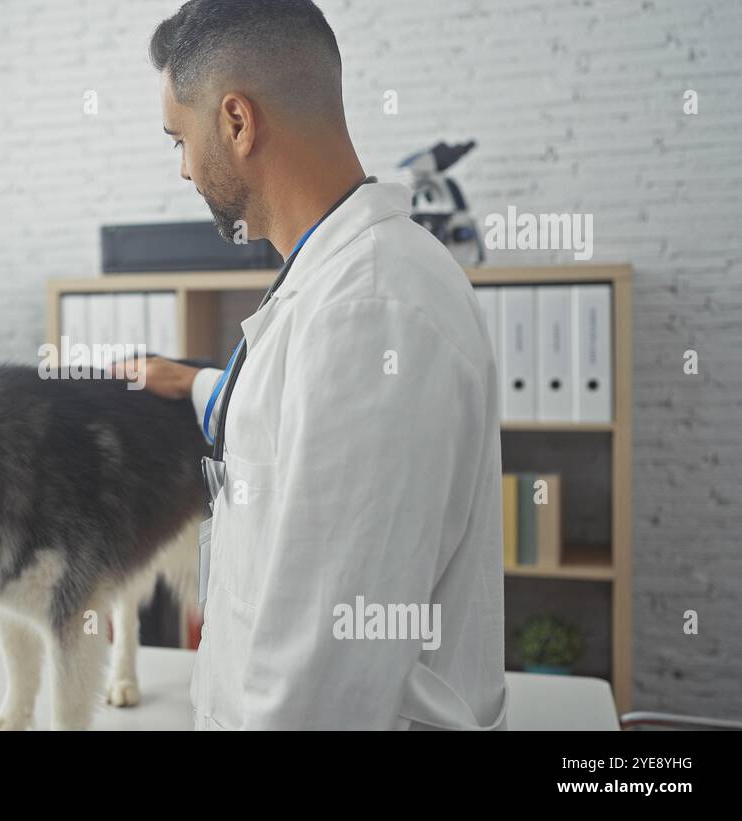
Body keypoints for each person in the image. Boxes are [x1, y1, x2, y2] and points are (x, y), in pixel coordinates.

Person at [129, 0, 508, 729]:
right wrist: (193, 383)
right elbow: (286, 426)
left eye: (178, 139)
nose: (181, 169)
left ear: (237, 122)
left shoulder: (370, 313)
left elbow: (320, 685)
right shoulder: (336, 277)